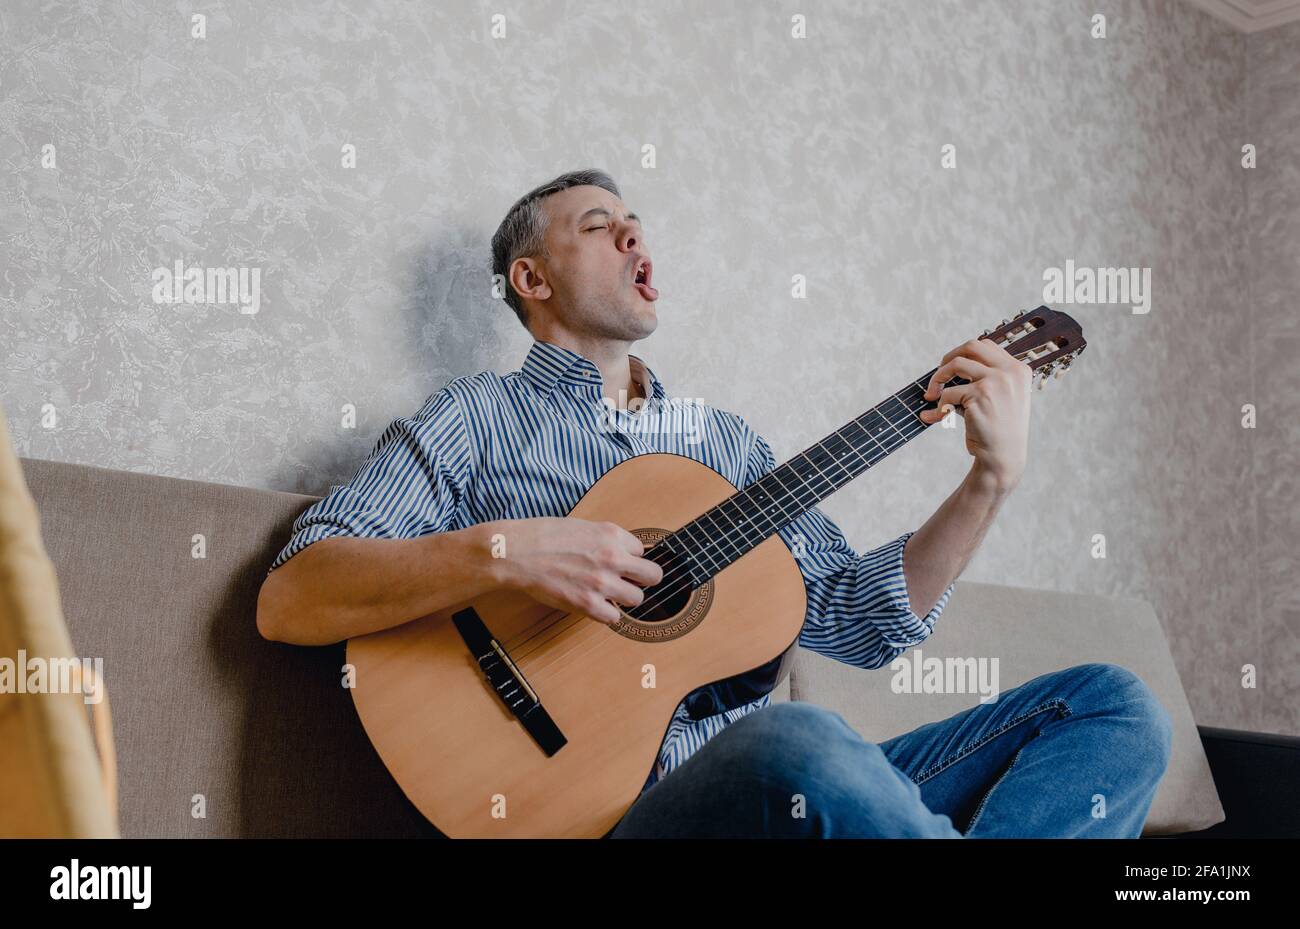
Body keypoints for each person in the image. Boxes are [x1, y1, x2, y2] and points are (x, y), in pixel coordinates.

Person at [255, 168, 1172, 838]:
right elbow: (292, 594)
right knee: (795, 740)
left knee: (1112, 706)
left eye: (638, 224)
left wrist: (987, 483)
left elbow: (858, 619)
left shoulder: (724, 446)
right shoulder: (477, 418)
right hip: (615, 815)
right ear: (532, 281)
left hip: (798, 808)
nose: (634, 237)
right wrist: (506, 553)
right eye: (599, 224)